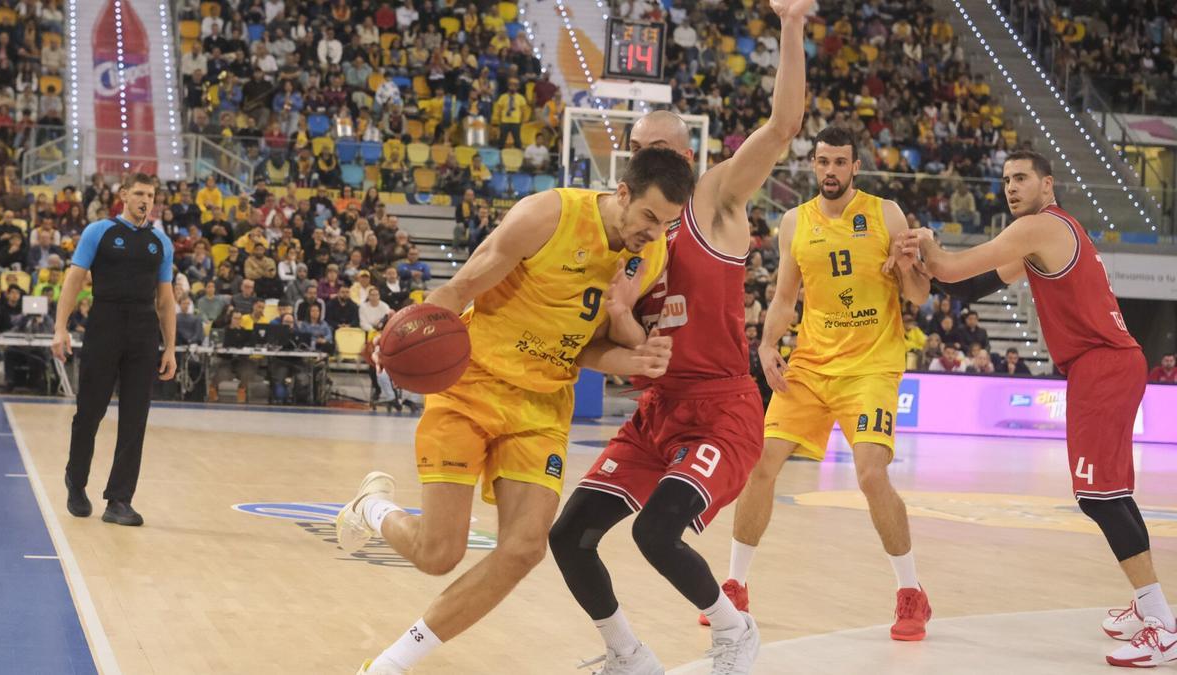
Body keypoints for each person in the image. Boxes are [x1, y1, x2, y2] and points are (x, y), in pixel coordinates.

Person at [333, 148, 694, 675]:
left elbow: (587, 348)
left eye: (668, 223)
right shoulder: (548, 215)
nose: (655, 231)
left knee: (524, 549)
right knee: (439, 554)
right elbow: (461, 287)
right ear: (623, 193)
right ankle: (372, 509)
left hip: (542, 406)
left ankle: (391, 664)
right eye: (648, 217)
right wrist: (399, 338)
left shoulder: (650, 255)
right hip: (471, 386)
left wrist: (632, 357)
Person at [548, 2, 812, 671]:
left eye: (660, 150)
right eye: (638, 151)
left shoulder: (714, 200)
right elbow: (629, 342)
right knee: (570, 536)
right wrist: (623, 315)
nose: (647, 160)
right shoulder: (630, 233)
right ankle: (629, 655)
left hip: (721, 408)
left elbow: (783, 126)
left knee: (656, 531)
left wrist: (789, 25)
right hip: (657, 409)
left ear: (686, 156)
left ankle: (734, 629)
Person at [897, 149, 1175, 666]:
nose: (1011, 187)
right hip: (1106, 365)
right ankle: (1149, 604)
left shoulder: (1039, 228)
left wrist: (928, 246)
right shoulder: (1038, 240)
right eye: (1005, 180)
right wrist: (923, 271)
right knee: (1109, 493)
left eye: (1021, 178)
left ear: (1048, 185)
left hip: (1104, 365)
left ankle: (1161, 621)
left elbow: (952, 265)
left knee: (1099, 497)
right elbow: (967, 287)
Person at [728, 124, 933, 643]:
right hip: (812, 366)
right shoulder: (794, 222)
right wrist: (769, 345)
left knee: (869, 476)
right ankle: (734, 585)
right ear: (813, 165)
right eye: (823, 162)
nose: (831, 171)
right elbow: (783, 296)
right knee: (760, 464)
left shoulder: (886, 213)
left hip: (871, 367)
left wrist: (910, 268)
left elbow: (918, 297)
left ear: (856, 166)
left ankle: (911, 594)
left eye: (840, 162)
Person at [52, 173, 177, 527]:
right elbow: (74, 279)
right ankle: (76, 483)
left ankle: (119, 499)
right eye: (139, 193)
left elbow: (165, 300)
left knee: (135, 419)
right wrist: (60, 329)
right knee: (89, 413)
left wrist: (170, 348)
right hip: (104, 326)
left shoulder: (160, 242)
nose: (145, 200)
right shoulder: (99, 231)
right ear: (123, 195)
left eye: (150, 195)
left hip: (142, 332)